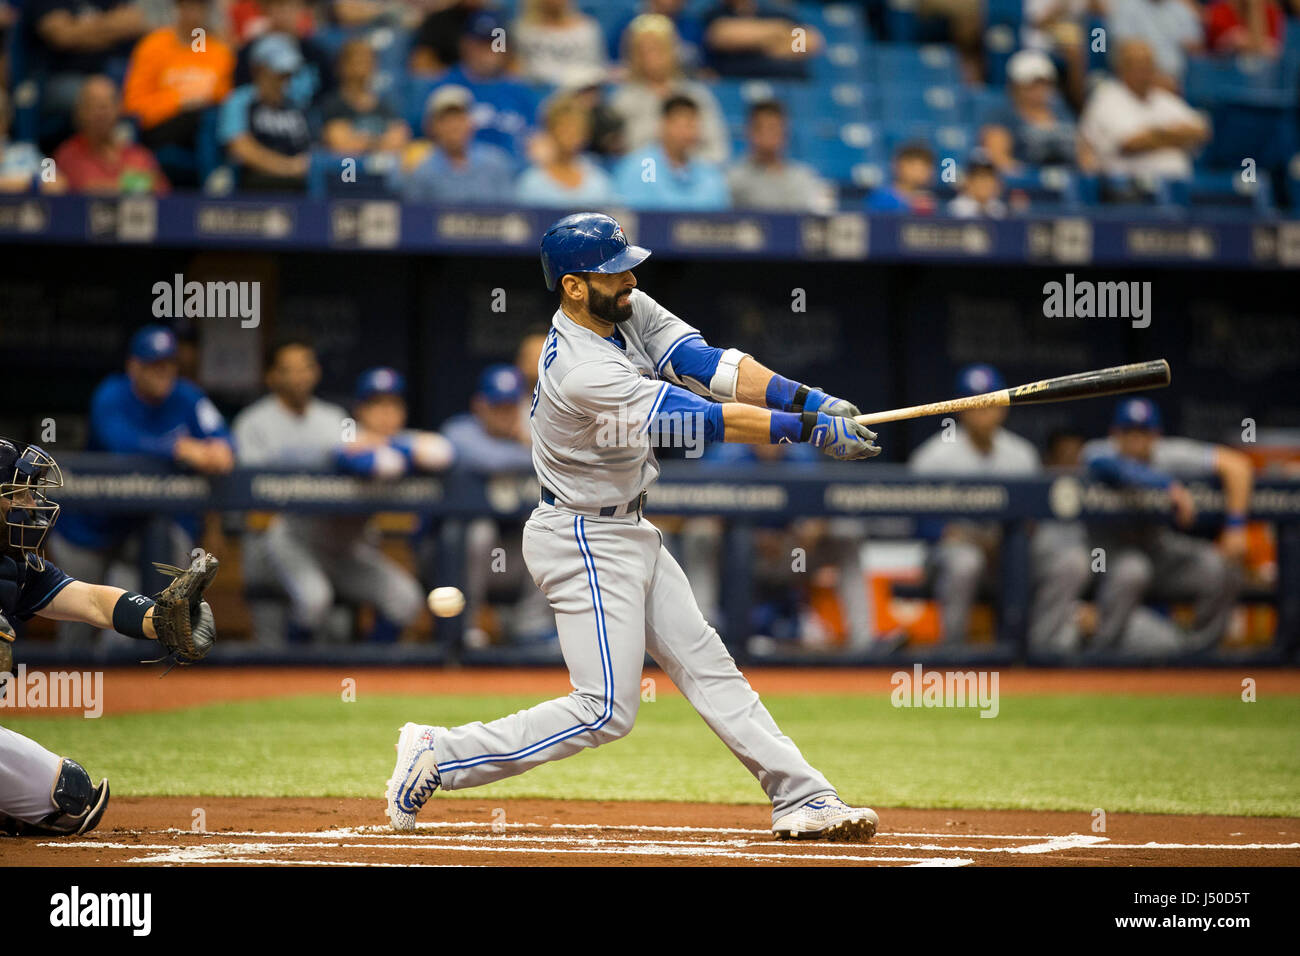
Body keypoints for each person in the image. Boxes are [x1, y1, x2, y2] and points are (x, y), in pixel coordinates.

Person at [386, 211, 883, 842]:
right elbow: (696, 418)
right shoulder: (579, 368)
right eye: (614, 272)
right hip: (582, 537)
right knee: (605, 712)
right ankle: (440, 752)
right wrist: (805, 429)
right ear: (573, 286)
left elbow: (709, 365)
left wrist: (807, 399)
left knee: (708, 665)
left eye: (628, 269)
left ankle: (803, 797)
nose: (629, 280)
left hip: (629, 527)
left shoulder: (626, 307)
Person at [0, 440, 215, 836]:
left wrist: (158, 619)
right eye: (17, 494)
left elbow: (93, 602)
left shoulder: (14, 565)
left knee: (70, 797)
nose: (30, 504)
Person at [51, 325, 232, 646]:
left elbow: (223, 441)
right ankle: (74, 690)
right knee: (77, 626)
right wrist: (178, 448)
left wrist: (220, 449)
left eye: (169, 364)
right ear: (134, 366)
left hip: (139, 529)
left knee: (134, 623)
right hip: (88, 529)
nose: (163, 372)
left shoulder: (187, 395)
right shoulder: (112, 393)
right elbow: (121, 442)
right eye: (154, 365)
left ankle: (150, 686)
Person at [909, 365, 1089, 648]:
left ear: (1003, 406)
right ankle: (952, 652)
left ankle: (1041, 650)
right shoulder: (934, 457)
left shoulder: (1022, 455)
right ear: (959, 406)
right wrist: (979, 542)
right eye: (975, 402)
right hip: (957, 555)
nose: (983, 409)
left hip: (1012, 550)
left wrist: (1010, 540)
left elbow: (1035, 518)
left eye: (990, 401)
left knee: (1073, 560)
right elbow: (925, 525)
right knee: (965, 562)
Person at [1083, 397, 1251, 653]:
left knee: (1221, 566)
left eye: (1143, 432)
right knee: (1133, 570)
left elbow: (1237, 465)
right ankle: (1102, 657)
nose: (1136, 440)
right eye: (1128, 432)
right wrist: (1167, 486)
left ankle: (1198, 656)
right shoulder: (1098, 450)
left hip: (1159, 552)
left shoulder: (1168, 453)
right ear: (1114, 433)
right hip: (1109, 556)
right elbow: (1108, 466)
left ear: (1156, 435)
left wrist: (1236, 526)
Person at [440, 364, 552, 646]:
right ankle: (468, 625)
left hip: (513, 558)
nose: (504, 414)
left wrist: (532, 440)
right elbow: (486, 458)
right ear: (480, 405)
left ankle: (531, 624)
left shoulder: (536, 427)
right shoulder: (459, 430)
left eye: (510, 406)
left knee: (549, 531)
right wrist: (532, 447)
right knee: (477, 532)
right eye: (496, 406)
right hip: (456, 558)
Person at [1079, 37, 1209, 183]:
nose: (1147, 70)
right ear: (1122, 67)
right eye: (1140, 65)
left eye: (1150, 64)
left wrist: (1154, 135)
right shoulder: (1107, 97)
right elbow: (1131, 144)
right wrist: (1175, 136)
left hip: (1178, 188)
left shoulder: (1161, 97)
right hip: (1128, 192)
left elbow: (1201, 130)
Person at [121, 0, 234, 166]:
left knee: (211, 119)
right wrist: (179, 102)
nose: (193, 14)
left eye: (199, 7)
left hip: (203, 127)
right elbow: (134, 104)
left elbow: (224, 97)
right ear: (177, 9)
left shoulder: (218, 50)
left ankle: (214, 175)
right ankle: (213, 180)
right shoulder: (154, 45)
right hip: (162, 125)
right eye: (187, 6)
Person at [609, 13, 729, 166]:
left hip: (693, 178)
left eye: (657, 48)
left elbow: (718, 150)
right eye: (643, 50)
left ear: (672, 50)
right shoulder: (622, 100)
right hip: (645, 175)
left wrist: (688, 170)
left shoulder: (696, 96)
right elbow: (622, 154)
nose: (650, 56)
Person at [422, 11, 541, 161]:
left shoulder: (520, 90)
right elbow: (428, 136)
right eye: (480, 44)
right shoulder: (446, 86)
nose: (488, 52)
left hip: (516, 175)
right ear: (465, 45)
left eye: (495, 44)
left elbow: (537, 137)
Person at [25, 0, 149, 122]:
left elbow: (134, 22)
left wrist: (79, 29)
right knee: (98, 99)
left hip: (109, 72)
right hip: (61, 76)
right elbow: (63, 36)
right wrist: (111, 29)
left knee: (144, 88)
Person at [218, 33, 312, 192]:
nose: (284, 83)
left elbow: (310, 149)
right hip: (253, 188)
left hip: (297, 187)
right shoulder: (239, 101)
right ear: (258, 70)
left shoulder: (296, 104)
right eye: (279, 75)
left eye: (288, 76)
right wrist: (288, 168)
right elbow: (241, 148)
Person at [979, 49, 1092, 174]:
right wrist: (1031, 178)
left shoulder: (1061, 110)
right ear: (1015, 86)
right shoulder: (1003, 114)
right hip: (1028, 187)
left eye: (1043, 83)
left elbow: (1083, 150)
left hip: (1069, 183)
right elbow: (998, 157)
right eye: (1031, 84)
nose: (1038, 90)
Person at [398, 85, 515, 204]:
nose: (454, 126)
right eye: (446, 120)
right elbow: (414, 217)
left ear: (471, 122)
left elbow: (510, 211)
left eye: (459, 118)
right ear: (432, 126)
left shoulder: (495, 162)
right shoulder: (423, 172)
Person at [52, 75, 169, 194]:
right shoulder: (68, 155)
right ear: (80, 111)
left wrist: (110, 186)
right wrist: (130, 184)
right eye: (94, 104)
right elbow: (83, 188)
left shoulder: (139, 157)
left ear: (119, 109)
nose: (102, 112)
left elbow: (159, 188)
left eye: (107, 104)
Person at [612, 94, 729, 210]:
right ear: (663, 124)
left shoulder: (710, 175)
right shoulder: (638, 168)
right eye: (683, 125)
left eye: (693, 125)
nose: (688, 132)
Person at [727, 98, 830, 212]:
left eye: (774, 128)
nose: (768, 135)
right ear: (750, 132)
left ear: (785, 132)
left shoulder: (803, 177)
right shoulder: (734, 179)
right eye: (761, 128)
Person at [515, 92, 615, 208]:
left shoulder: (600, 182)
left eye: (577, 129)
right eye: (564, 128)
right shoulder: (531, 183)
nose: (570, 135)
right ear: (551, 131)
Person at [317, 39, 409, 157]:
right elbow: (341, 145)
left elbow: (399, 140)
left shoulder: (387, 105)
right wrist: (380, 142)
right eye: (356, 60)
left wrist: (361, 141)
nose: (362, 65)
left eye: (367, 60)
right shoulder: (332, 105)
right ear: (342, 66)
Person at [701, 0, 823, 79]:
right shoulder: (715, 13)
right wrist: (778, 33)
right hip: (736, 77)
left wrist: (757, 39)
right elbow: (722, 36)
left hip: (787, 80)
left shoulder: (776, 12)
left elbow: (809, 42)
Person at [512, 0, 608, 88]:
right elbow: (517, 70)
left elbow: (597, 66)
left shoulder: (587, 28)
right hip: (536, 90)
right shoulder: (523, 31)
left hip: (579, 89)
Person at [1107, 0, 1204, 86]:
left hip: (1177, 79)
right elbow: (1122, 48)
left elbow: (1197, 46)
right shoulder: (1126, 6)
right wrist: (1152, 76)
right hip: (1139, 78)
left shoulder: (1179, 8)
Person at [409, 0, 490, 76]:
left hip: (486, 77)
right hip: (447, 80)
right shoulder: (439, 21)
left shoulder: (493, 19)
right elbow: (422, 60)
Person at [864, 141, 936, 214]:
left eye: (927, 167)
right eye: (915, 166)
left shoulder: (928, 201)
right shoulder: (881, 198)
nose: (923, 172)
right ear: (899, 166)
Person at [1204, 0, 1287, 55]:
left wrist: (1254, 8)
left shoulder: (1271, 12)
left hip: (1262, 76)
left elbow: (1274, 52)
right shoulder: (1218, 12)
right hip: (1226, 77)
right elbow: (1222, 49)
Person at [948, 148, 1007, 218]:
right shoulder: (955, 209)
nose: (986, 183)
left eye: (990, 177)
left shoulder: (1000, 209)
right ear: (968, 180)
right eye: (981, 177)